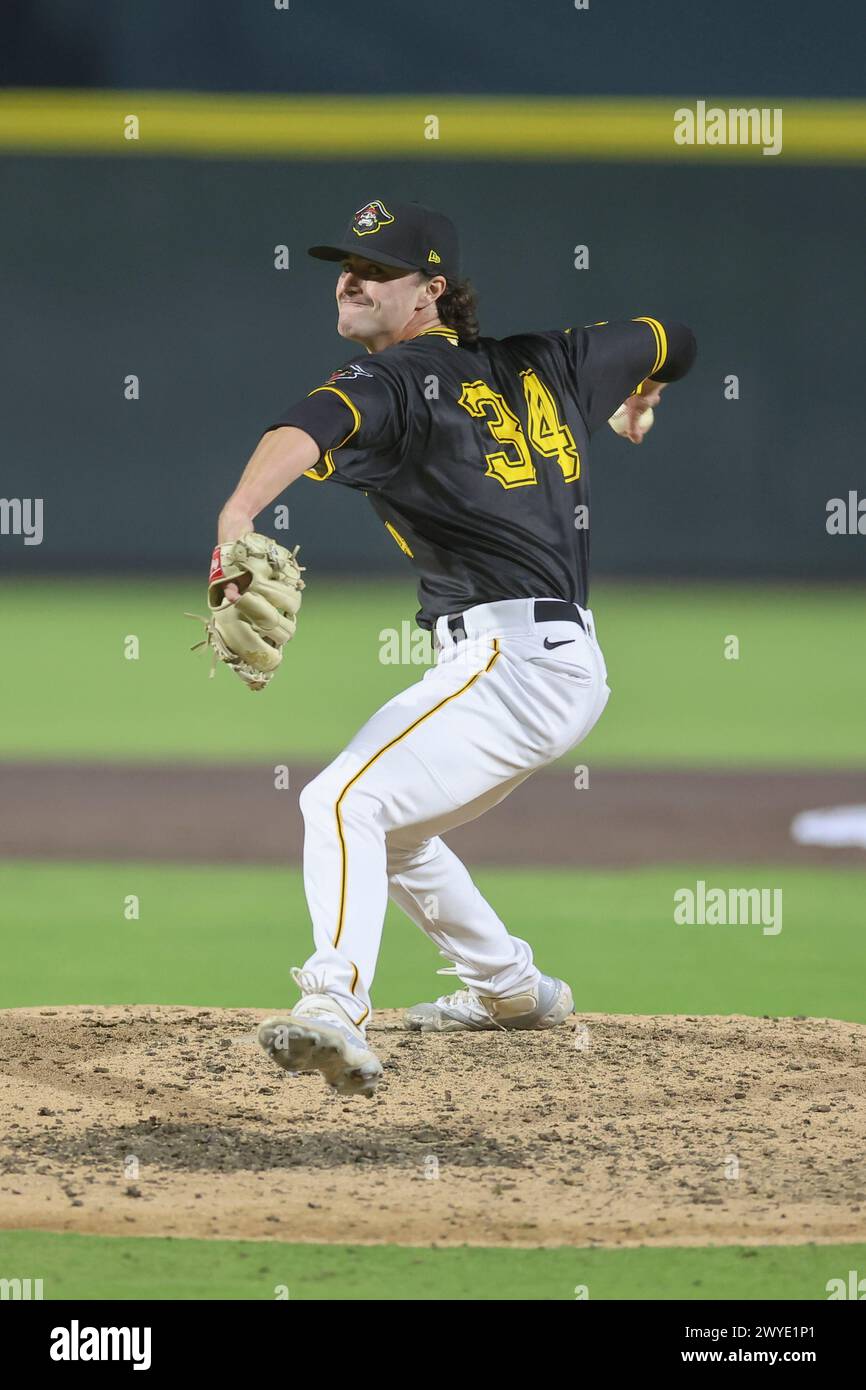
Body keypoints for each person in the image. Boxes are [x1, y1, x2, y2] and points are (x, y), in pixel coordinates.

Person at [216, 198, 696, 1098]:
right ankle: (512, 989)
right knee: (392, 833)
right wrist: (643, 388)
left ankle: (333, 1005)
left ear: (431, 292)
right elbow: (672, 334)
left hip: (512, 661)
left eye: (376, 268)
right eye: (343, 265)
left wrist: (237, 518)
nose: (350, 280)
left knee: (339, 803)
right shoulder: (554, 359)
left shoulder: (392, 381)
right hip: (547, 662)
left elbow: (301, 429)